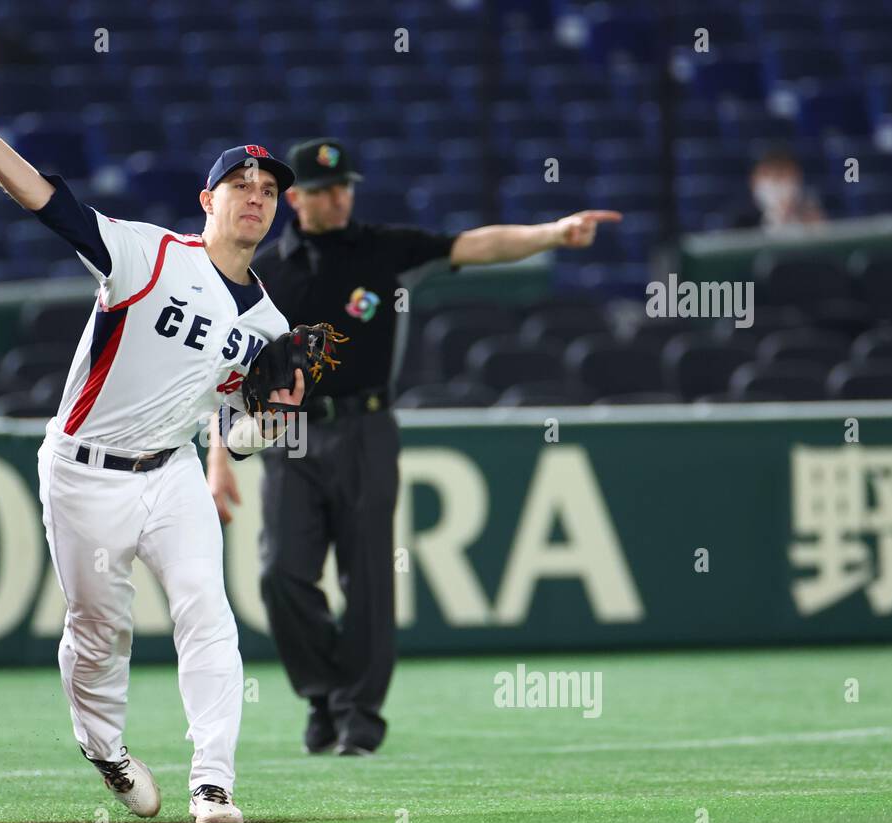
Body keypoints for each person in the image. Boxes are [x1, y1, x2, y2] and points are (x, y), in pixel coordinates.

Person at [0, 80, 306, 823]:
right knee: (101, 633)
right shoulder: (149, 254)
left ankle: (213, 783)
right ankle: (103, 747)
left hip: (171, 474)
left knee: (208, 612)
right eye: (239, 183)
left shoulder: (270, 324)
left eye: (267, 188)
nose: (256, 196)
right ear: (208, 202)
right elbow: (51, 204)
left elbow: (237, 429)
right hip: (83, 471)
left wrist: (273, 419)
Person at [207, 138, 621, 756]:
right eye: (323, 189)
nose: (338, 196)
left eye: (344, 185)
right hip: (288, 434)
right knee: (279, 574)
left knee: (369, 575)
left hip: (367, 425)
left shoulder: (382, 249)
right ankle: (323, 693)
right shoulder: (267, 272)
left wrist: (553, 234)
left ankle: (361, 714)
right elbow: (231, 372)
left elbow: (474, 246)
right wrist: (221, 458)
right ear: (297, 199)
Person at [730, 146, 826, 231]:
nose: (778, 184)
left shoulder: (813, 214)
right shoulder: (741, 222)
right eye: (768, 175)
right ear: (753, 181)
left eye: (783, 175)